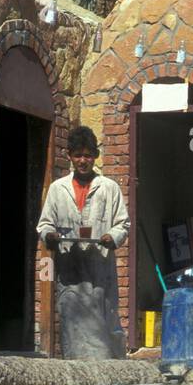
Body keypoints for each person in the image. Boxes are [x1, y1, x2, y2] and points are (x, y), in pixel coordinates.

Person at [36, 126, 129, 359]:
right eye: (78, 155)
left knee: (103, 318)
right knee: (71, 317)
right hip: (70, 269)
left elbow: (123, 224)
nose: (83, 161)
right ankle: (77, 370)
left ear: (95, 156)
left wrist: (112, 237)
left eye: (88, 155)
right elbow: (45, 224)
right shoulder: (58, 189)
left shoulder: (109, 188)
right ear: (69, 155)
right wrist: (50, 236)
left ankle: (107, 370)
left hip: (100, 268)